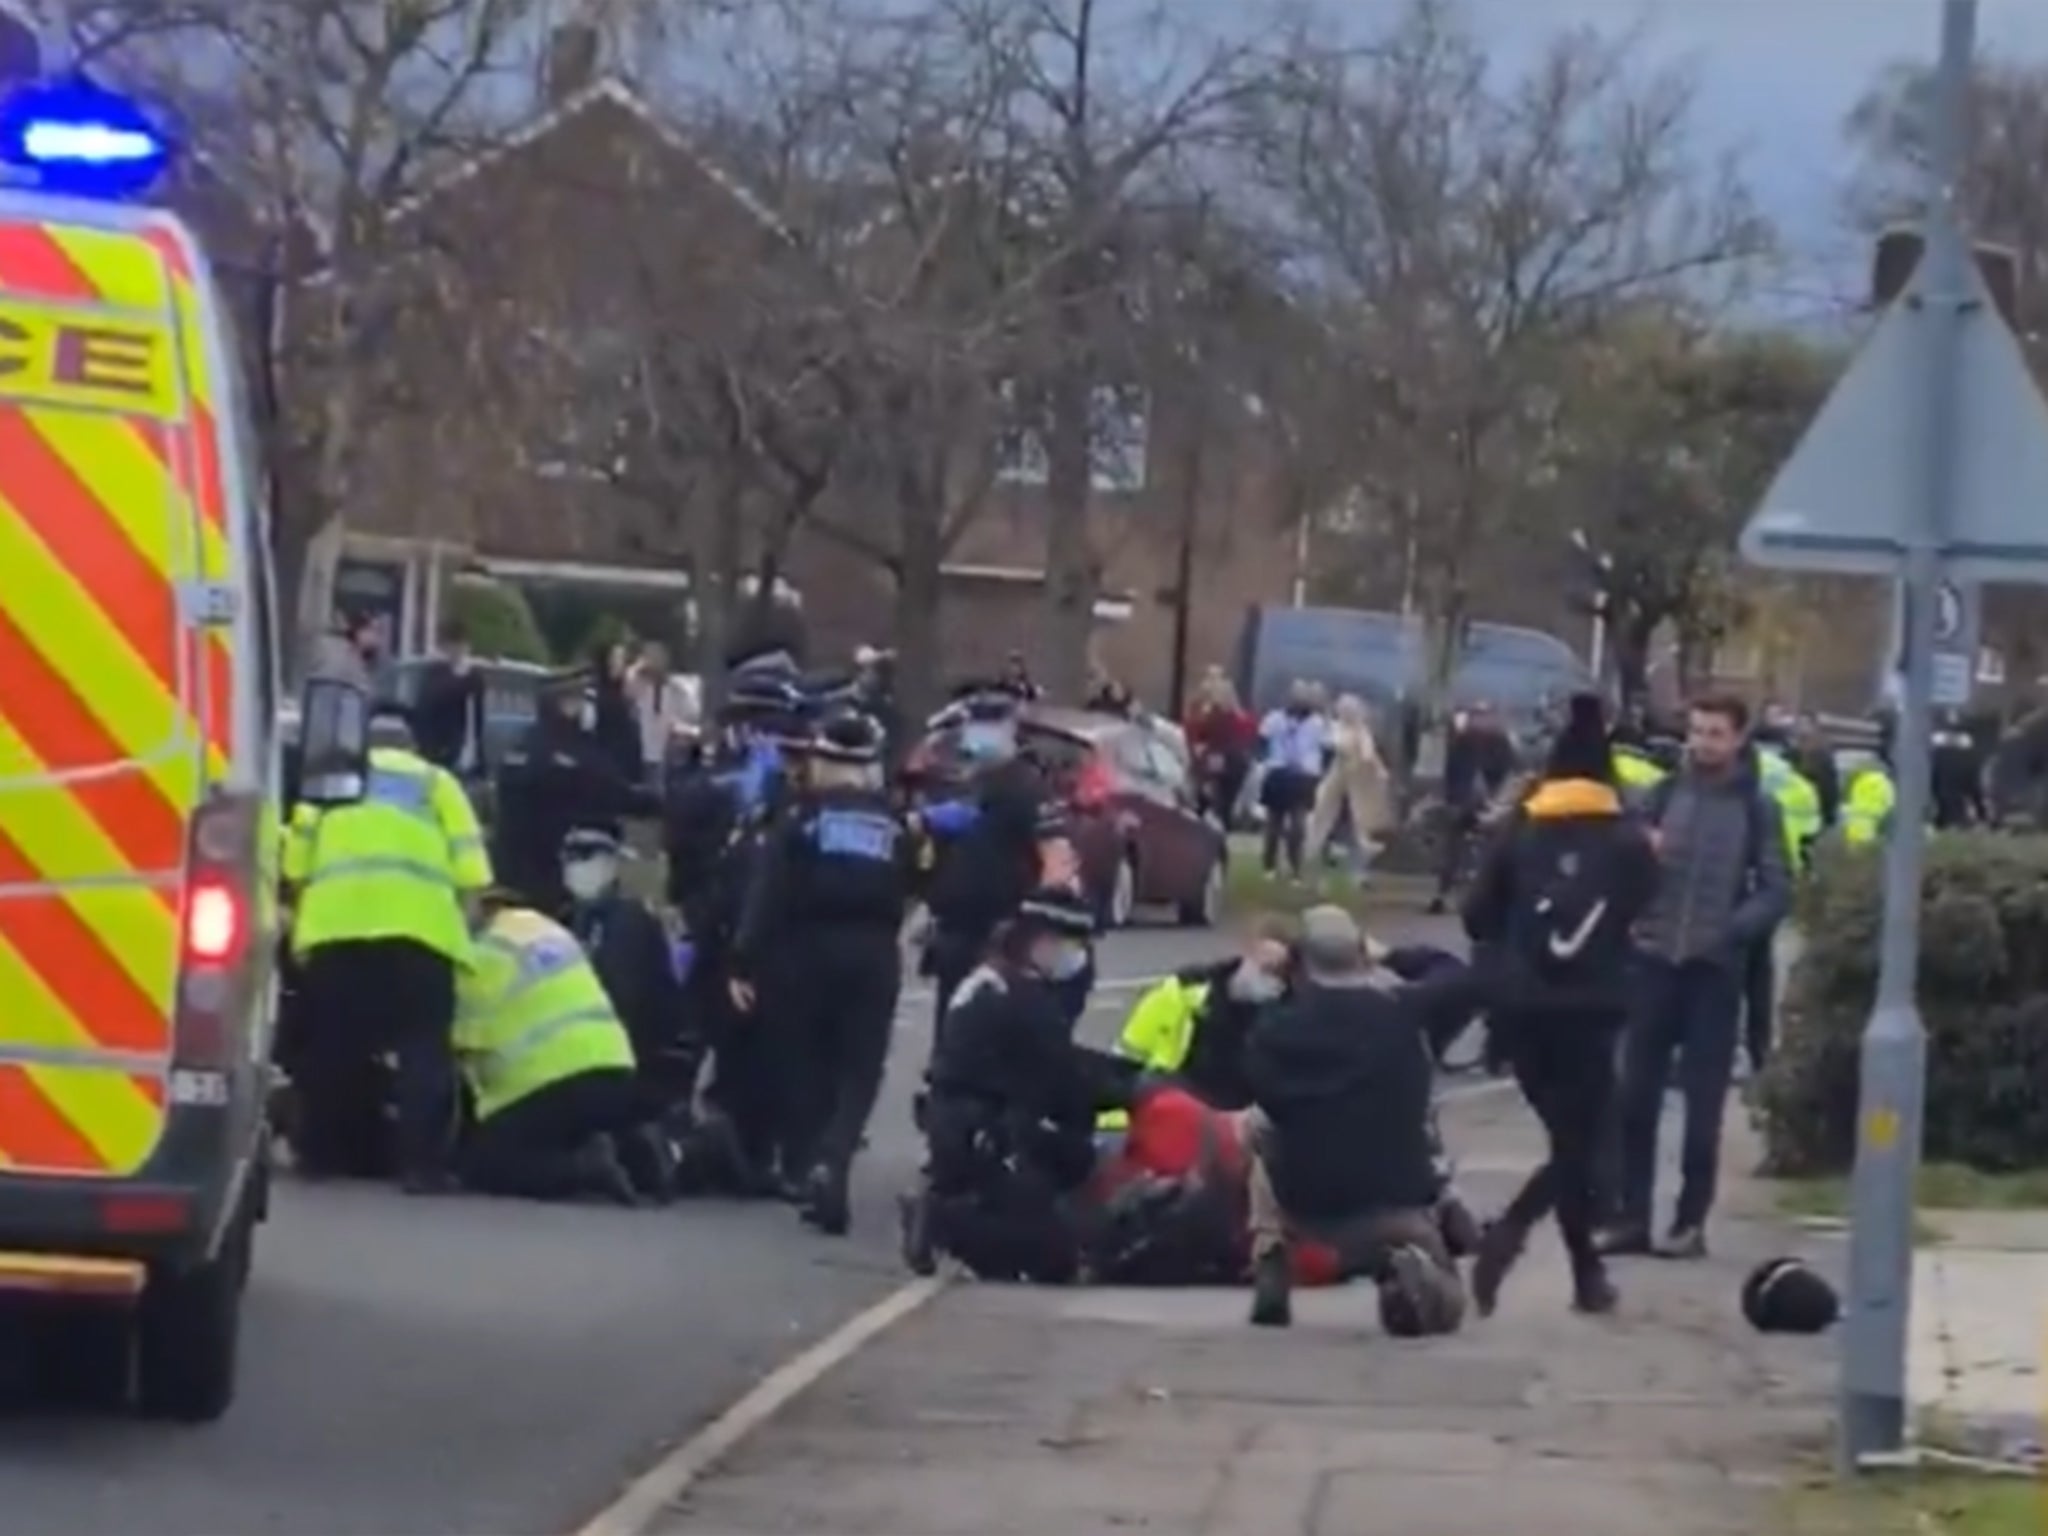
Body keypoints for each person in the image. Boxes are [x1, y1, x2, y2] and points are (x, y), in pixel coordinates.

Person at [1461, 694, 1658, 1317]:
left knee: (1570, 1140)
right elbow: (1643, 910)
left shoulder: (1522, 828)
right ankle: (1514, 1229)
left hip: (1521, 1011)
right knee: (1584, 1144)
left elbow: (1475, 916)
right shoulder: (1627, 840)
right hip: (1591, 1012)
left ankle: (1586, 1275)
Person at [1603, 694, 1789, 1260]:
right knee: (1635, 1099)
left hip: (1713, 973)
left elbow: (1777, 888)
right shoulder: (1662, 796)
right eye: (1697, 731)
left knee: (1702, 1108)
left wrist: (1732, 933)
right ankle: (1631, 1216)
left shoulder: (1757, 807)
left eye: (1715, 733)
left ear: (1737, 739)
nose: (1703, 742)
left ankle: (1690, 1222)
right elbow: (1624, 866)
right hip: (1654, 965)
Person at [282, 708, 491, 1192]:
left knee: (332, 1048)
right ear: (412, 747)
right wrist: (466, 931)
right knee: (423, 1053)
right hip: (420, 934)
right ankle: (422, 1168)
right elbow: (473, 875)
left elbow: (295, 868)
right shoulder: (436, 784)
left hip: (337, 932)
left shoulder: (331, 784)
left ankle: (320, 1157)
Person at [1239, 906, 1471, 1336]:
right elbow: (1455, 972)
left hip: (1308, 1202)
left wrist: (1269, 979)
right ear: (1360, 955)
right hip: (1401, 1193)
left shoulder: (1277, 1029)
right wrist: (1392, 956)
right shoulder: (1404, 1009)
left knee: (1258, 1124)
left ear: (1299, 963)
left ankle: (1271, 1254)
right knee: (1422, 1113)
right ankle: (1425, 1248)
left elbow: (1248, 1075)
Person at [730, 708, 911, 1235]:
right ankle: (835, 1158)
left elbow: (769, 891)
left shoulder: (802, 818)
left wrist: (743, 957)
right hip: (875, 951)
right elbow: (914, 880)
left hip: (806, 950)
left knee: (806, 1061)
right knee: (860, 1066)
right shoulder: (892, 821)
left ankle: (811, 1163)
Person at [905, 886, 1133, 1281]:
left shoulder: (995, 978)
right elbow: (1063, 1080)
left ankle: (965, 1218)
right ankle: (943, 1222)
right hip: (983, 1132)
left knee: (1066, 1162)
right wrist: (1129, 1092)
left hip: (960, 1121)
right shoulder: (1023, 999)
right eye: (1070, 943)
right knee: (1057, 1256)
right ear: (1040, 940)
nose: (1077, 957)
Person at [455, 894, 672, 1204]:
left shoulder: (476, 956)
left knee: (483, 1164)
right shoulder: (543, 928)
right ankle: (633, 1148)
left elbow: (456, 1050)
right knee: (565, 1131)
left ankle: (584, 1168)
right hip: (615, 1067)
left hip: (550, 1081)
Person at [560, 828, 700, 1120]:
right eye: (570, 858)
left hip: (637, 1068)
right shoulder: (574, 921)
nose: (575, 867)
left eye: (586, 857)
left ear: (611, 864)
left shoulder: (629, 920)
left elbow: (628, 1001)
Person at [492, 676, 659, 913]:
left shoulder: (519, 745)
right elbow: (616, 792)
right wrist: (665, 803)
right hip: (552, 877)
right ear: (564, 705)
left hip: (508, 872)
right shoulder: (573, 753)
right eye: (580, 699)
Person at [1105, 916, 1296, 1121]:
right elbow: (1124, 1066)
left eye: (1279, 974)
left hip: (1237, 1129)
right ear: (1247, 953)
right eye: (1265, 968)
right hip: (1169, 1113)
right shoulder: (1181, 992)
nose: (1271, 980)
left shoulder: (1285, 1018)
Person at [1429, 701, 1517, 914]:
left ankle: (1445, 893)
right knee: (1486, 847)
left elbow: (1451, 773)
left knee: (1455, 848)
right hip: (1486, 803)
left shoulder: (1464, 739)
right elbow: (1508, 771)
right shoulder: (1499, 740)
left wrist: (1451, 799)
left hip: (1466, 801)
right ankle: (1480, 894)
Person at [1304, 693, 1390, 876]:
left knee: (1360, 814)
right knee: (1324, 808)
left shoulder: (1361, 731)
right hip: (1340, 773)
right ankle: (1314, 846)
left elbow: (1369, 755)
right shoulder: (1337, 729)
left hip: (1355, 775)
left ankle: (1361, 852)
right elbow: (1333, 745)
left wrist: (1377, 769)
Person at [1256, 681, 1328, 879]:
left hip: (1303, 776)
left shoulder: (1317, 724)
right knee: (1273, 823)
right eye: (1295, 696)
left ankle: (1295, 867)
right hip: (1278, 772)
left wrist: (1320, 772)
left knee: (1298, 824)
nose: (1299, 701)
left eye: (1303, 697)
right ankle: (1269, 866)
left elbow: (1326, 749)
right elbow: (1260, 743)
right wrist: (1265, 763)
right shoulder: (1274, 719)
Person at [410, 618, 484, 776]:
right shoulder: (434, 673)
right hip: (431, 750)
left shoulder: (473, 678)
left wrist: (470, 752)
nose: (456, 651)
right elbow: (424, 707)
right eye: (452, 646)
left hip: (456, 753)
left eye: (461, 646)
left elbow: (475, 720)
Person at [1184, 670, 1256, 827]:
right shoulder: (1207, 711)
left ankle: (1214, 829)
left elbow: (1200, 733)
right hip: (1223, 759)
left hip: (1220, 759)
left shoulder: (1218, 714)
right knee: (1215, 802)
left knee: (1215, 801)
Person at [628, 640, 699, 789]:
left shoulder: (677, 687)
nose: (652, 662)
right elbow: (628, 692)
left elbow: (692, 713)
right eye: (648, 657)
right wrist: (637, 666)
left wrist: (681, 726)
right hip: (647, 751)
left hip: (672, 751)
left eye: (656, 657)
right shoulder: (641, 685)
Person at [591, 640, 645, 787]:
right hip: (607, 755)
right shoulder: (598, 689)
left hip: (628, 757)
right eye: (615, 657)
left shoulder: (624, 685)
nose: (619, 662)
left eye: (621, 658)